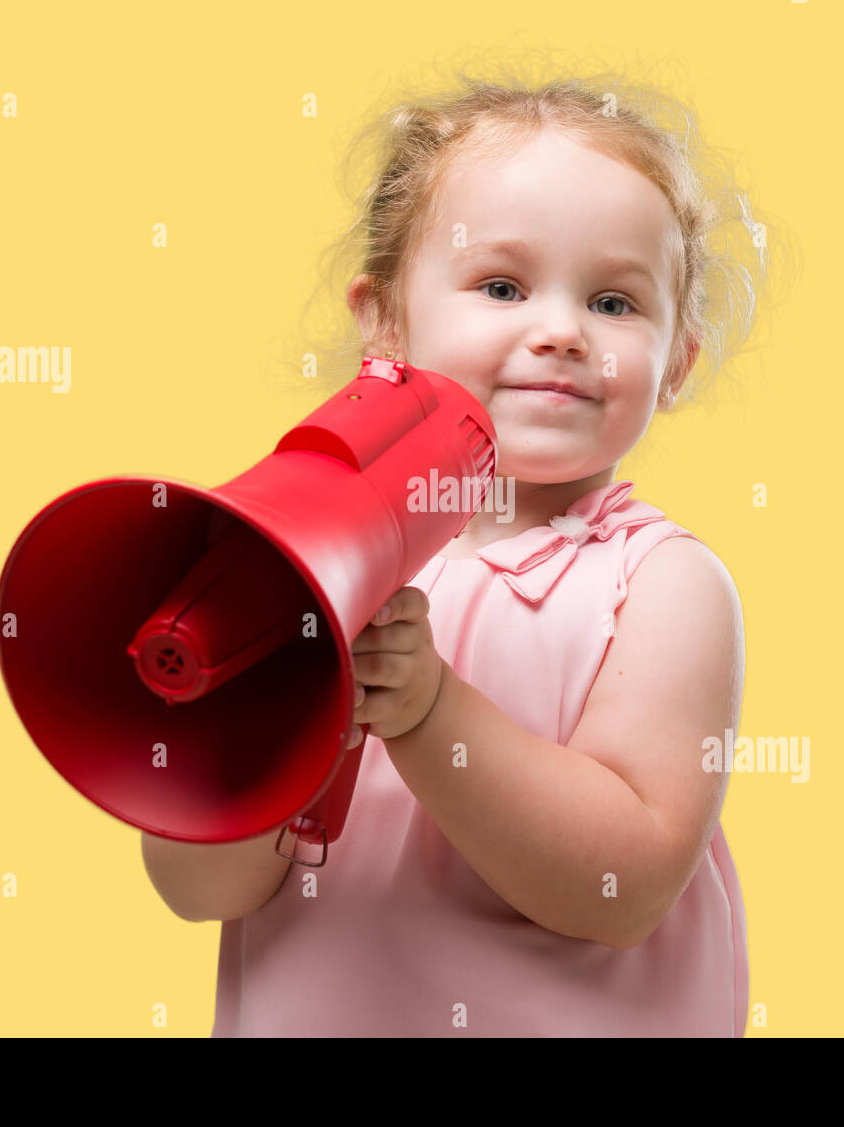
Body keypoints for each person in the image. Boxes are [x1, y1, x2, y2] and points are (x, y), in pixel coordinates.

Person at [145, 72, 774, 1036]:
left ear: (676, 358)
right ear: (385, 321)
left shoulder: (662, 586)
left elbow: (623, 888)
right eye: (502, 287)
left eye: (614, 302)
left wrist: (431, 712)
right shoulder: (309, 565)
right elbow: (199, 887)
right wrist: (279, 730)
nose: (561, 332)